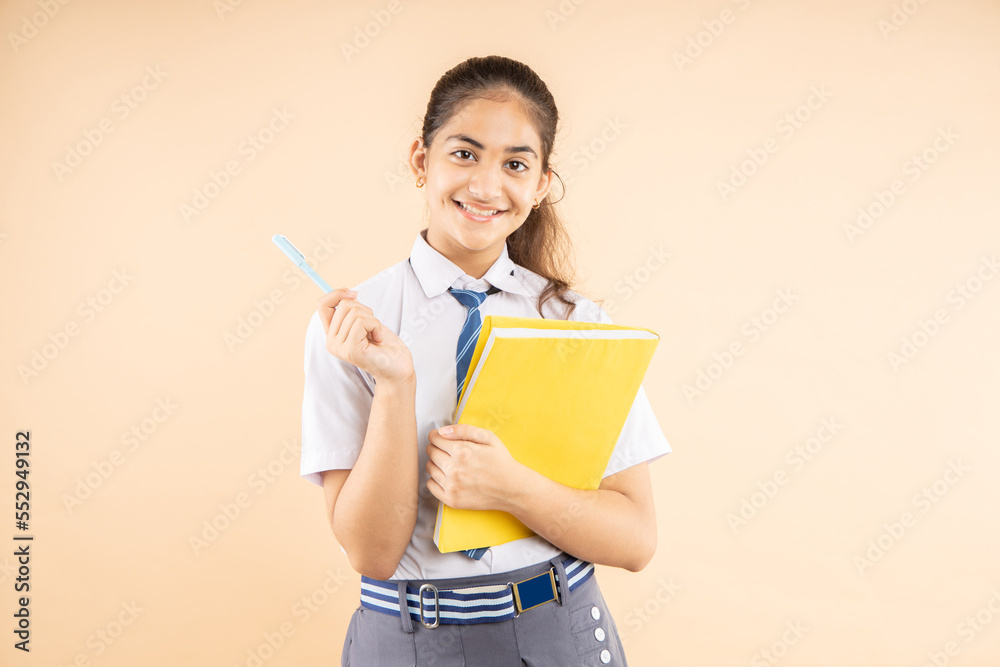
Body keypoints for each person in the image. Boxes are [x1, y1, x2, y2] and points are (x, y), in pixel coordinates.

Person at [300, 54, 671, 666]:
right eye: (464, 153)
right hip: (411, 645)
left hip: (561, 636)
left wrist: (512, 488)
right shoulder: (352, 327)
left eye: (515, 164)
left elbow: (635, 540)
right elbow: (372, 555)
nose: (485, 186)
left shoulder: (575, 323)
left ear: (542, 183)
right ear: (422, 161)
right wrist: (395, 386)